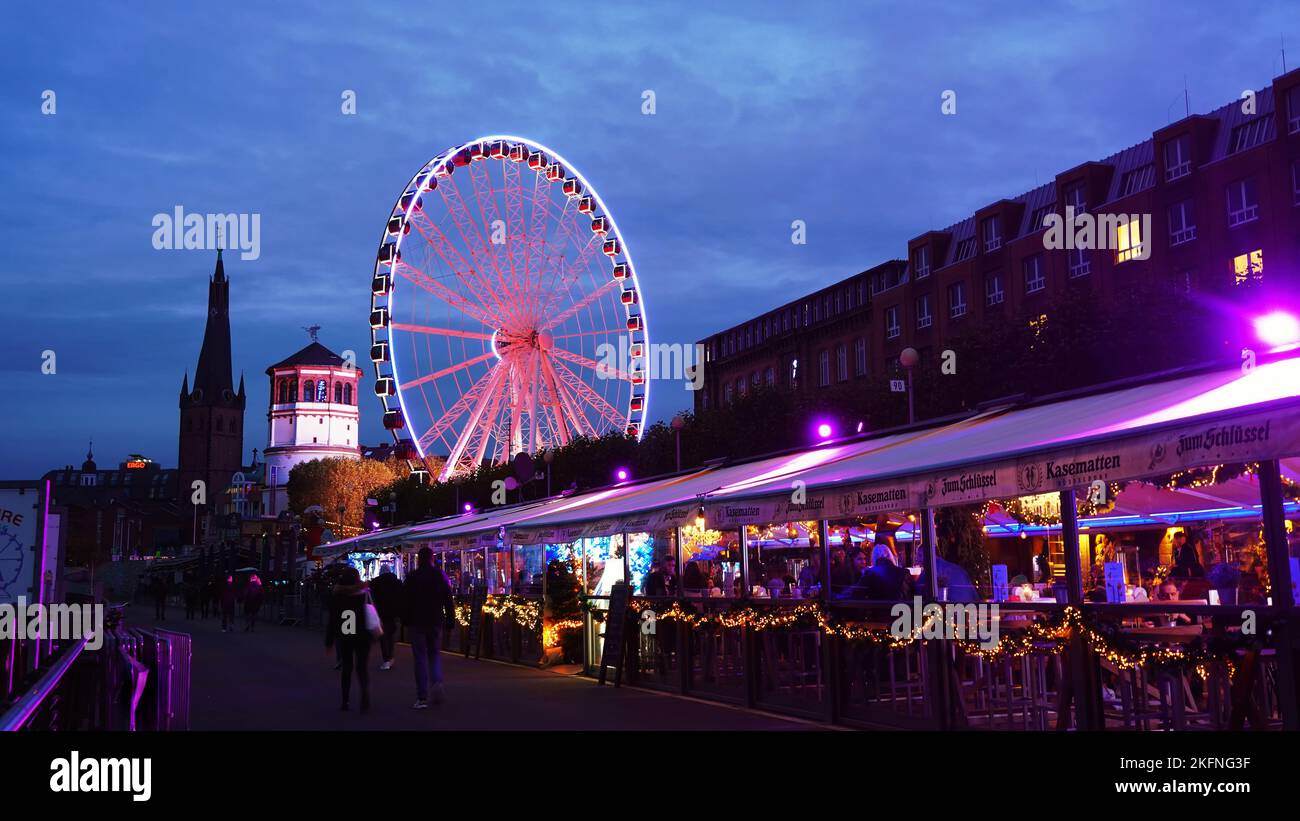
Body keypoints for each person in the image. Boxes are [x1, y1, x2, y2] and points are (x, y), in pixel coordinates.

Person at [403, 546, 456, 708]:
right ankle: (437, 682)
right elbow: (448, 599)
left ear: (419, 559)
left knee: (419, 657)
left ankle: (422, 697)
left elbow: (405, 601)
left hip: (417, 621)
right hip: (435, 620)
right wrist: (450, 620)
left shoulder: (412, 577)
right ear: (432, 558)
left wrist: (406, 620)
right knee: (434, 654)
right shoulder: (440, 576)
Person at [325, 565, 372, 712]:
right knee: (362, 667)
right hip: (363, 632)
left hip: (347, 630)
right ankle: (364, 696)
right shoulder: (364, 592)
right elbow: (372, 611)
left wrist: (329, 641)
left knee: (347, 668)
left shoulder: (338, 594)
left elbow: (333, 619)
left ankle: (345, 701)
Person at [369, 565, 403, 670]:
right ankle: (390, 655)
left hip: (380, 612)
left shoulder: (375, 582)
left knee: (383, 636)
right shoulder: (397, 582)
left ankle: (387, 658)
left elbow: (371, 597)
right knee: (391, 634)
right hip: (393, 612)